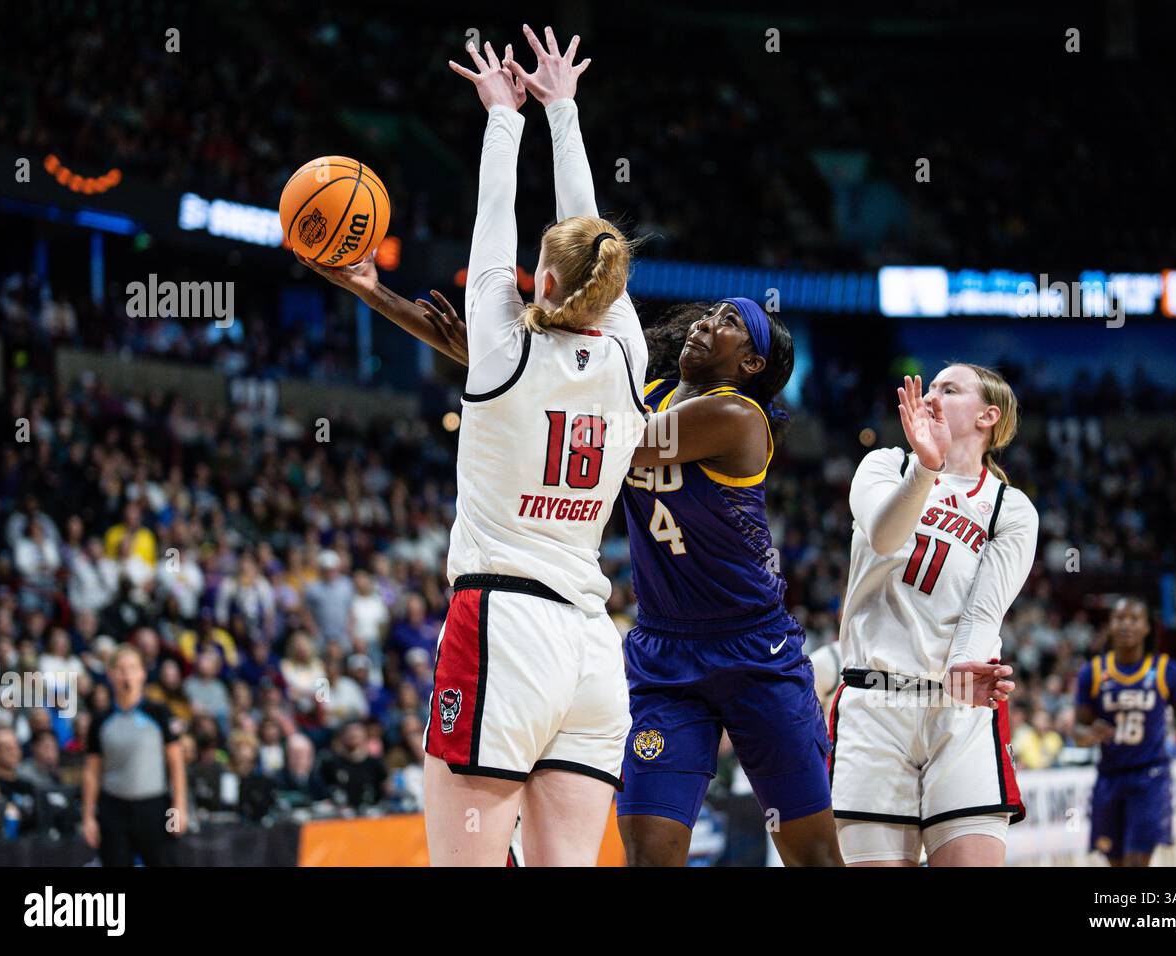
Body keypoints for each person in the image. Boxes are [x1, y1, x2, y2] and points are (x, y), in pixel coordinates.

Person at [301, 25, 645, 866]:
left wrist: (507, 116)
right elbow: (587, 230)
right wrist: (563, 112)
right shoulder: (631, 349)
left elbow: (495, 226)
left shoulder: (505, 348)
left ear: (548, 282)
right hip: (593, 649)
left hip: (505, 627)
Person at [612, 301, 842, 866]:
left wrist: (526, 379)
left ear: (751, 363)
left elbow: (605, 435)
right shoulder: (654, 394)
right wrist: (499, 362)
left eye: (729, 323)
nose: (704, 322)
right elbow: (559, 398)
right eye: (708, 314)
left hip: (754, 651)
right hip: (664, 653)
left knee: (812, 858)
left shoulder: (738, 417)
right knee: (648, 857)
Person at [830, 367, 1039, 866]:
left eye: (950, 388)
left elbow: (985, 610)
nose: (932, 395)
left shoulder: (1010, 509)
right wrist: (925, 469)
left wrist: (966, 667)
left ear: (988, 416)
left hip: (958, 711)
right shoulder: (882, 464)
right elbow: (884, 537)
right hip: (874, 703)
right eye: (932, 386)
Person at [1074, 596, 1176, 866]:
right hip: (1109, 777)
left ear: (1146, 627)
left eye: (1134, 619)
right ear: (1110, 625)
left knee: (1135, 863)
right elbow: (1078, 729)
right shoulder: (1092, 672)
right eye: (1120, 618)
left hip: (1151, 776)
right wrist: (1088, 733)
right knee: (1116, 862)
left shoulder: (1168, 670)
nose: (1126, 625)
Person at [82, 644, 188, 866]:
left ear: (142, 673)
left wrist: (179, 807)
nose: (125, 674)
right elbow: (92, 771)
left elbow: (176, 763)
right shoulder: (101, 719)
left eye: (131, 668)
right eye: (119, 669)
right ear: (110, 674)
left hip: (155, 807)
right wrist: (89, 816)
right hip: (114, 808)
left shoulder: (159, 713)